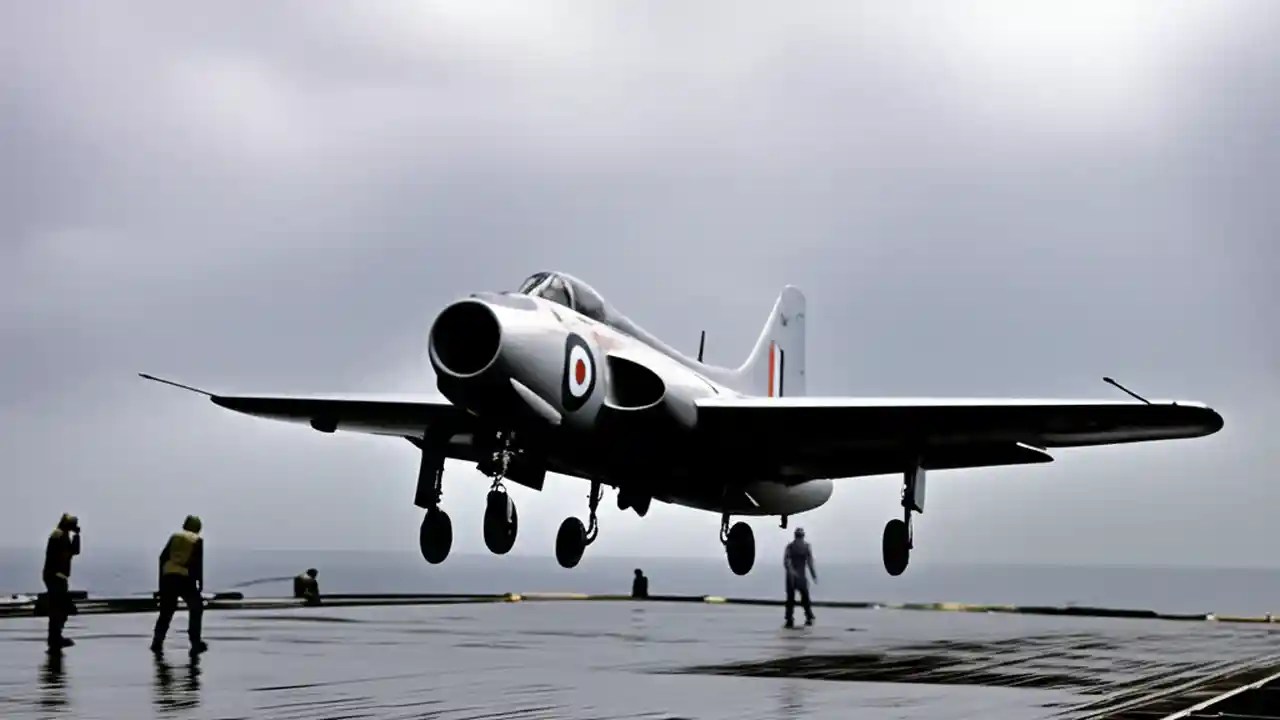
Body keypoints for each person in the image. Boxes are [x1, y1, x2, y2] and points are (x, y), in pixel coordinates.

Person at [151, 515, 207, 655]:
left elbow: (162, 558)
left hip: (168, 576)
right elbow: (196, 563)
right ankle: (195, 643)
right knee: (196, 608)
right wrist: (199, 583)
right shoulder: (197, 540)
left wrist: (161, 584)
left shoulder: (174, 537)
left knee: (166, 611)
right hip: (184, 576)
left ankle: (157, 642)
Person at [42, 513, 81, 651]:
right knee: (57, 608)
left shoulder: (63, 535)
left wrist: (76, 536)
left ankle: (56, 636)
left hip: (59, 576)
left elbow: (74, 551)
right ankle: (54, 638)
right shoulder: (58, 535)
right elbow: (58, 554)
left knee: (59, 608)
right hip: (55, 576)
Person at [783, 527, 817, 628]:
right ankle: (809, 617)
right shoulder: (806, 547)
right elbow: (810, 562)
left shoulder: (790, 546)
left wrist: (791, 571)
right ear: (803, 536)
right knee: (805, 598)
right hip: (801, 576)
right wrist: (813, 575)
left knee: (790, 599)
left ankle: (789, 619)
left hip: (791, 577)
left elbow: (786, 562)